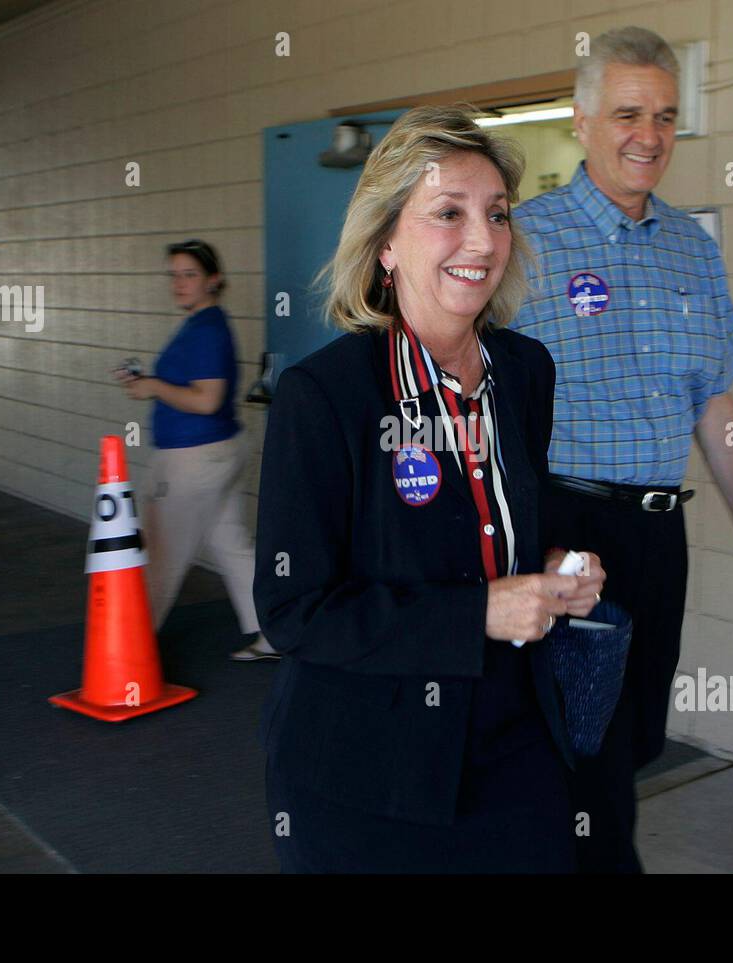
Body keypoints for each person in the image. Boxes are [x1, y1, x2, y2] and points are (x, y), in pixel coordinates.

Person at [252, 105, 607, 873]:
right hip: (369, 769)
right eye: (448, 213)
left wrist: (562, 564)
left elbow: (519, 518)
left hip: (516, 741)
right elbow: (291, 610)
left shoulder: (525, 371)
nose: (483, 240)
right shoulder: (326, 396)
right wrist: (478, 610)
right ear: (386, 244)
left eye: (497, 215)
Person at [511, 26, 733, 873]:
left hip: (655, 535)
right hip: (562, 527)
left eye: (667, 116)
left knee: (632, 736)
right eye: (629, 113)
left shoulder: (691, 249)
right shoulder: (524, 240)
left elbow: (715, 405)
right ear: (583, 119)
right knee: (578, 756)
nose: (650, 135)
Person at [116, 239, 275, 661]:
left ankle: (127, 651)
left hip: (195, 457)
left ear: (213, 280)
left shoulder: (207, 330)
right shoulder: (202, 323)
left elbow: (206, 400)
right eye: (174, 275)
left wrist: (151, 386)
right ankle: (276, 630)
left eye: (189, 275)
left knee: (160, 549)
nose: (179, 283)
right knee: (230, 543)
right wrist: (149, 380)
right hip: (216, 451)